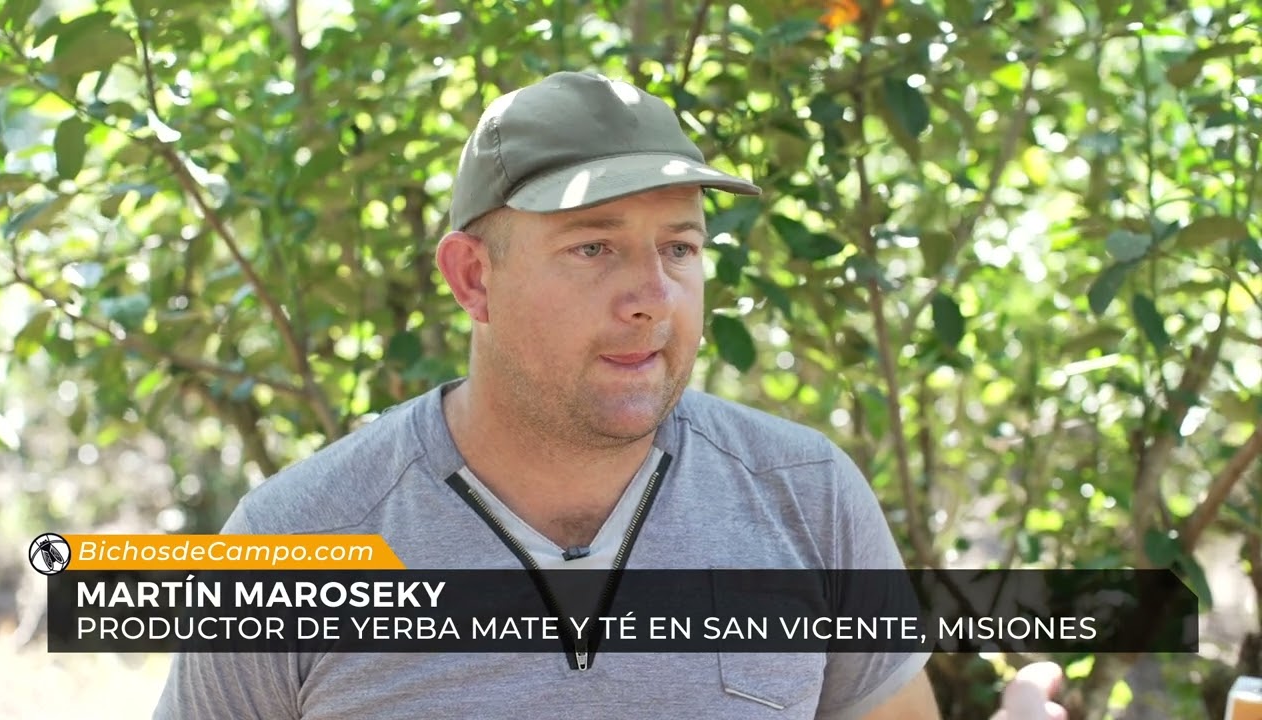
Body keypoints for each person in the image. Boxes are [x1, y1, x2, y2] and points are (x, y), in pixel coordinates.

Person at [154, 70, 1065, 719]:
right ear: (473, 277)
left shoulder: (806, 497)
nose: (652, 298)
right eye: (593, 247)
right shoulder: (298, 542)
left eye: (680, 248)